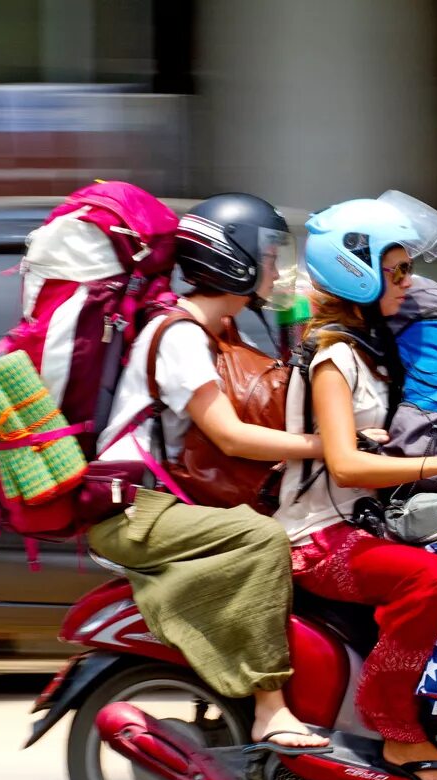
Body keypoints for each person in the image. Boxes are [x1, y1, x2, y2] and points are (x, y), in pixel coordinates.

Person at [274, 194, 437, 780]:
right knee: (428, 580)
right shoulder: (334, 356)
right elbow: (344, 465)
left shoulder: (368, 350)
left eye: (407, 267)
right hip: (315, 537)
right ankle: (394, 728)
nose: (408, 281)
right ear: (358, 272)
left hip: (350, 524)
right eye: (395, 269)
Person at [90, 193, 328, 750]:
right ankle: (271, 708)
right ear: (233, 259)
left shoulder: (228, 332)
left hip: (171, 504)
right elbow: (230, 434)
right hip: (136, 510)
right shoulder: (178, 335)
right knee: (262, 538)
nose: (277, 267)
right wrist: (325, 446)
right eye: (268, 254)